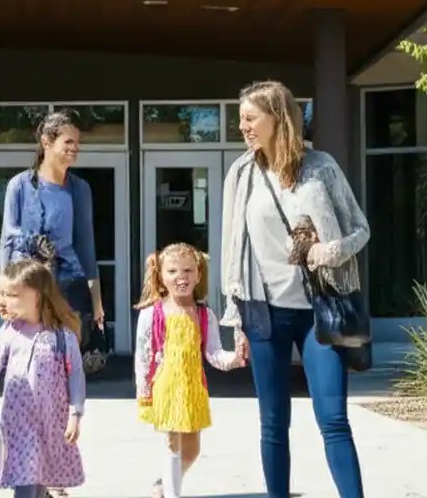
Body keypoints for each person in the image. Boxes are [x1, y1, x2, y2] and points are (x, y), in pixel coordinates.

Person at [220, 80, 370, 498]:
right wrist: (235, 317)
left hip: (320, 307)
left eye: (250, 118)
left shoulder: (321, 167)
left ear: (277, 118)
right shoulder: (242, 173)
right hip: (262, 310)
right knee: (273, 422)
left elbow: (361, 229)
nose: (243, 127)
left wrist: (329, 250)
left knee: (333, 418)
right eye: (241, 119)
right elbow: (231, 246)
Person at [0, 260, 87, 498]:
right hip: (18, 424)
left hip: (50, 425)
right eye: (0, 293)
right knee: (26, 481)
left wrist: (75, 415)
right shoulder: (9, 332)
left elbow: (75, 376)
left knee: (38, 480)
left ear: (39, 295)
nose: (2, 300)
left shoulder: (62, 336)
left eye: (12, 295)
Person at [135, 244, 246, 498]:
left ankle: (164, 484)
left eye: (187, 270)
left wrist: (235, 359)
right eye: (172, 271)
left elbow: (214, 353)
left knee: (192, 451)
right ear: (161, 276)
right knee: (172, 443)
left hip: (193, 388)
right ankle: (173, 494)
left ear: (198, 275)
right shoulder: (152, 313)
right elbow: (143, 355)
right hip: (165, 385)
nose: (180, 277)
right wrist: (143, 391)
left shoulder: (204, 314)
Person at [0, 111, 106, 369]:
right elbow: (7, 241)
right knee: (29, 360)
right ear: (47, 142)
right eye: (68, 142)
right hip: (28, 285)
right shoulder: (20, 185)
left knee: (65, 362)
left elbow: (86, 246)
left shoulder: (79, 189)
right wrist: (3, 292)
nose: (75, 148)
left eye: (77, 143)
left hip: (69, 286)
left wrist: (97, 301)